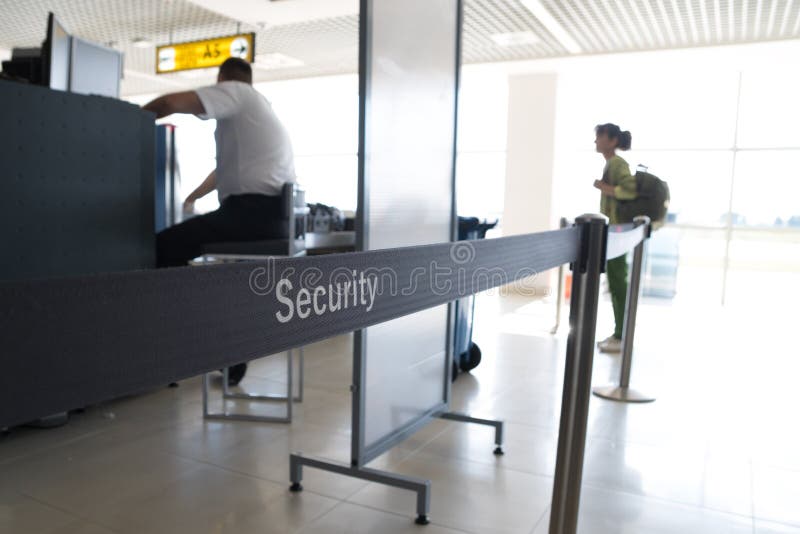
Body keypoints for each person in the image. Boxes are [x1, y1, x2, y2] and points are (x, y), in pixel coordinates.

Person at [142, 57, 296, 385]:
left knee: (161, 248)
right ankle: (225, 348)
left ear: (223, 78)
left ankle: (196, 343)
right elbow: (225, 170)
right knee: (182, 253)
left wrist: (129, 121)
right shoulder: (258, 108)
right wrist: (193, 196)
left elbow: (170, 103)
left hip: (250, 214)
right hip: (270, 217)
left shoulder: (236, 92)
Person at [592, 123, 637, 354]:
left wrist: (603, 187)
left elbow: (630, 191)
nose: (596, 141)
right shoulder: (612, 163)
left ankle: (622, 335)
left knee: (618, 283)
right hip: (614, 230)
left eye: (600, 137)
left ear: (612, 140)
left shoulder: (617, 164)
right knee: (616, 282)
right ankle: (619, 332)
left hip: (618, 231)